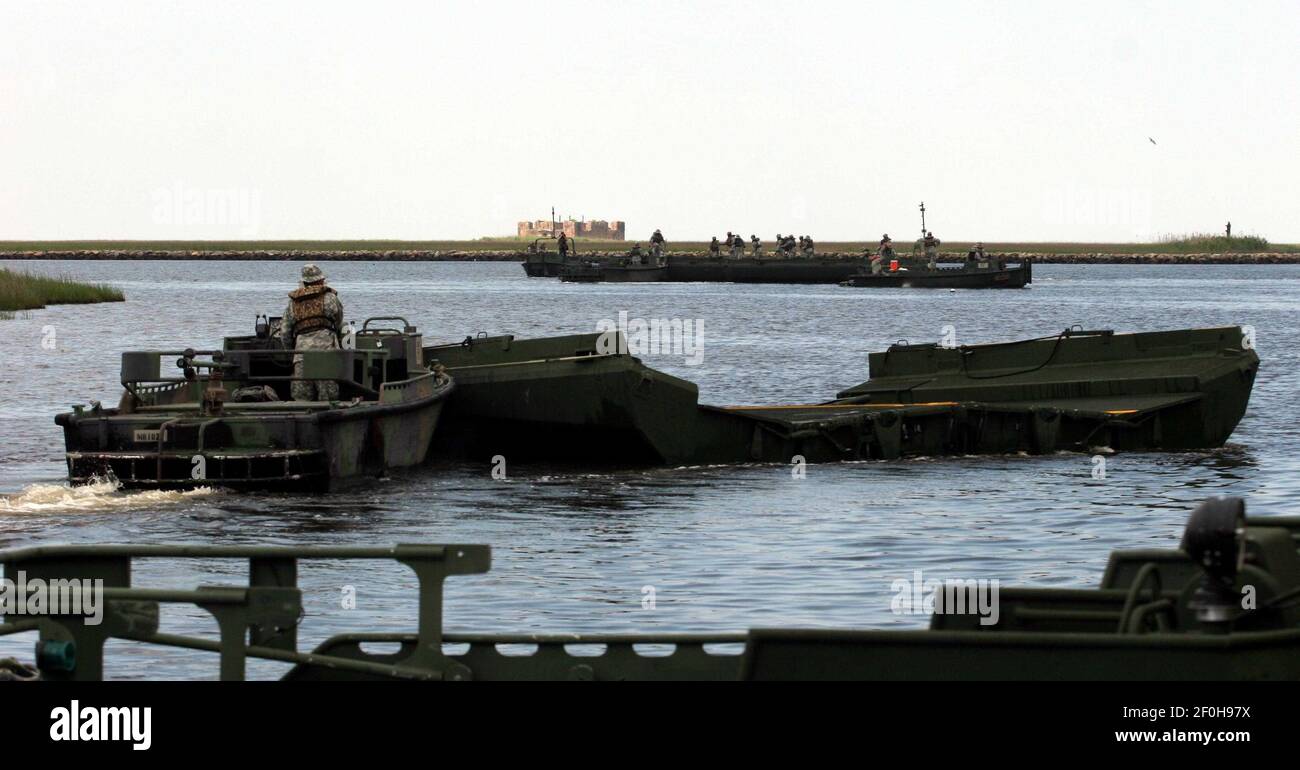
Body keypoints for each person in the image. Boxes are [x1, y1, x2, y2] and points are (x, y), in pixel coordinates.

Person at [281, 264, 344, 402]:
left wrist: (291, 352)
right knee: (328, 400)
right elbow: (339, 322)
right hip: (326, 355)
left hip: (301, 357)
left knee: (301, 401)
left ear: (303, 282)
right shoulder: (331, 298)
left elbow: (285, 333)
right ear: (321, 280)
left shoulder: (293, 303)